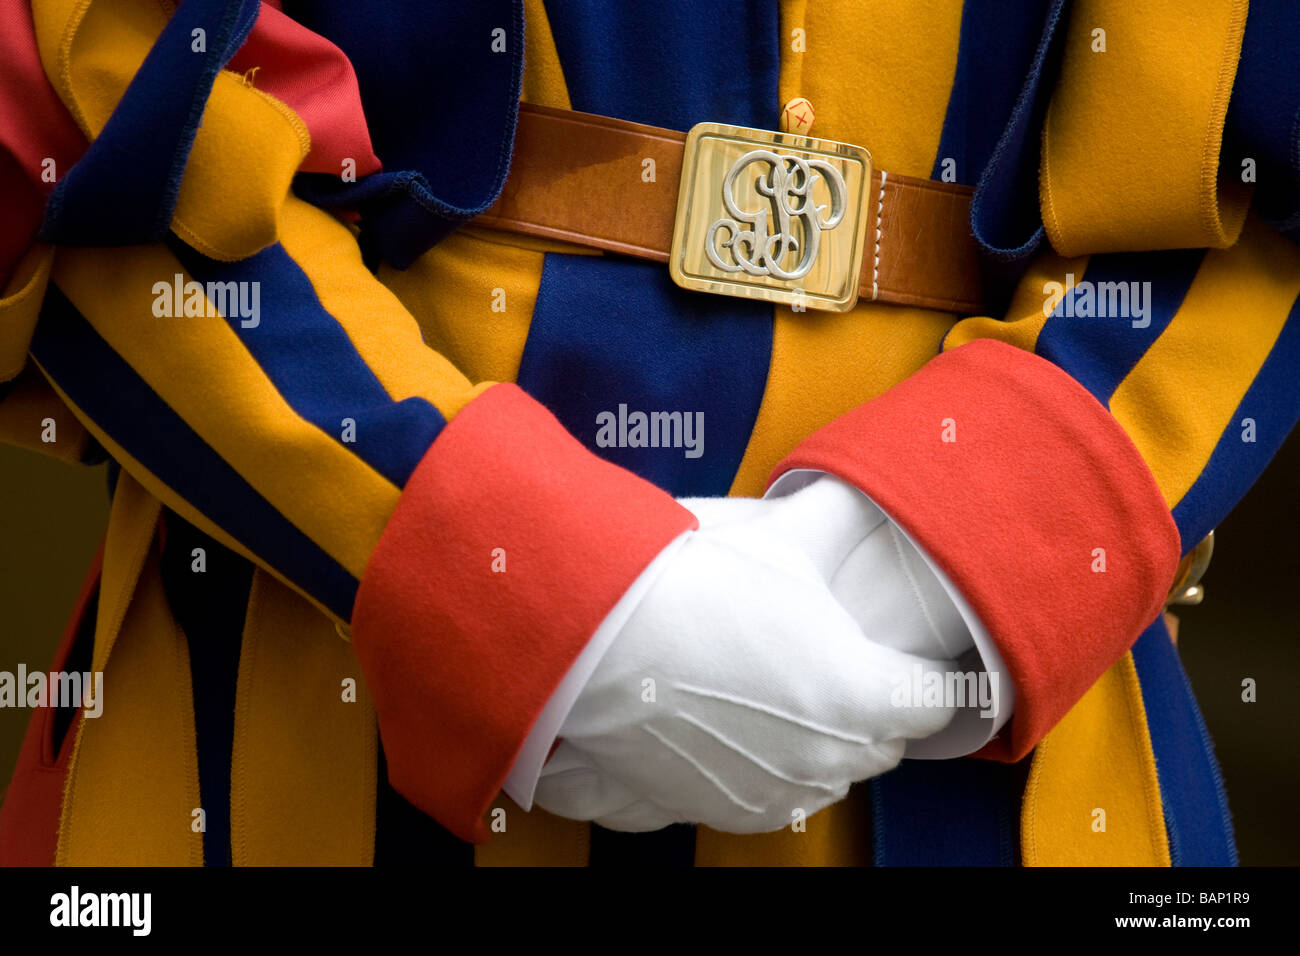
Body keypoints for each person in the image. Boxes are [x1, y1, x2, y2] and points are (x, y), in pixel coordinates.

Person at [0, 0, 1293, 866]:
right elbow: (91, 111)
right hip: (307, 675)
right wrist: (478, 551)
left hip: (1005, 720)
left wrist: (973, 534)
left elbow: (1263, 174)